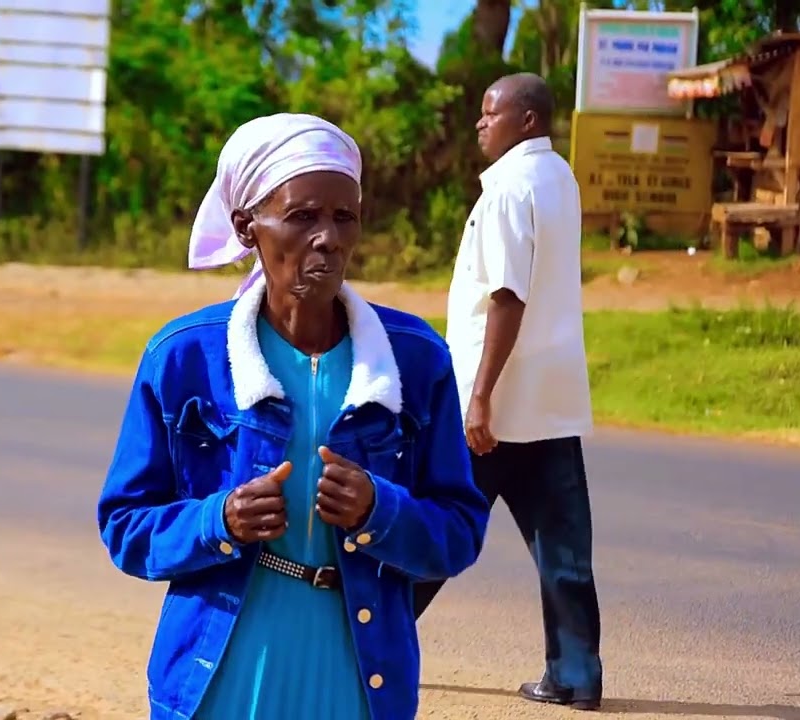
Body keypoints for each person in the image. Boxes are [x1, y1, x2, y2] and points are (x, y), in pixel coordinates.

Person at [97, 112, 491, 720]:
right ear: (246, 227)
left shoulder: (415, 360)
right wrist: (219, 518)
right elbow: (126, 525)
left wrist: (379, 509)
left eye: (344, 217)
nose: (328, 238)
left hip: (354, 681)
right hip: (220, 679)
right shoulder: (183, 357)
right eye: (303, 216)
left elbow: (460, 530)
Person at [412, 73, 604, 711]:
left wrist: (479, 396)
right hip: (550, 401)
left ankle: (366, 646)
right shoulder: (560, 179)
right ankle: (576, 677)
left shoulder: (508, 190)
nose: (480, 123)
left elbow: (506, 296)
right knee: (565, 550)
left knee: (438, 527)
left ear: (526, 121)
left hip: (493, 406)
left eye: (490, 113)